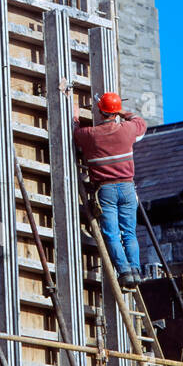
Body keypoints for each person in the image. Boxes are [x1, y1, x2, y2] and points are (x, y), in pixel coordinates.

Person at [72, 92, 148, 289]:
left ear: (99, 111)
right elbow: (140, 122)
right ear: (115, 112)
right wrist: (121, 111)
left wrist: (73, 109)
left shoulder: (90, 135)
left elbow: (74, 130)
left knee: (112, 233)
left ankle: (124, 272)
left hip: (105, 190)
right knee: (129, 232)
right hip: (128, 187)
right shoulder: (128, 130)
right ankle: (135, 270)